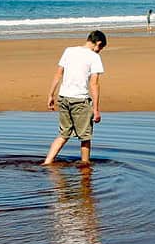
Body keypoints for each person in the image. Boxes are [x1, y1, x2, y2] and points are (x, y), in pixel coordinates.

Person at [42, 30, 107, 165]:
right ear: (98, 43)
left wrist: (51, 95)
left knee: (63, 134)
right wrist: (96, 109)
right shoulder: (94, 57)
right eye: (101, 48)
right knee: (85, 137)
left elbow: (58, 74)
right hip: (80, 101)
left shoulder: (69, 51)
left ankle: (47, 162)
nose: (100, 51)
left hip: (63, 97)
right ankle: (85, 166)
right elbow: (94, 84)